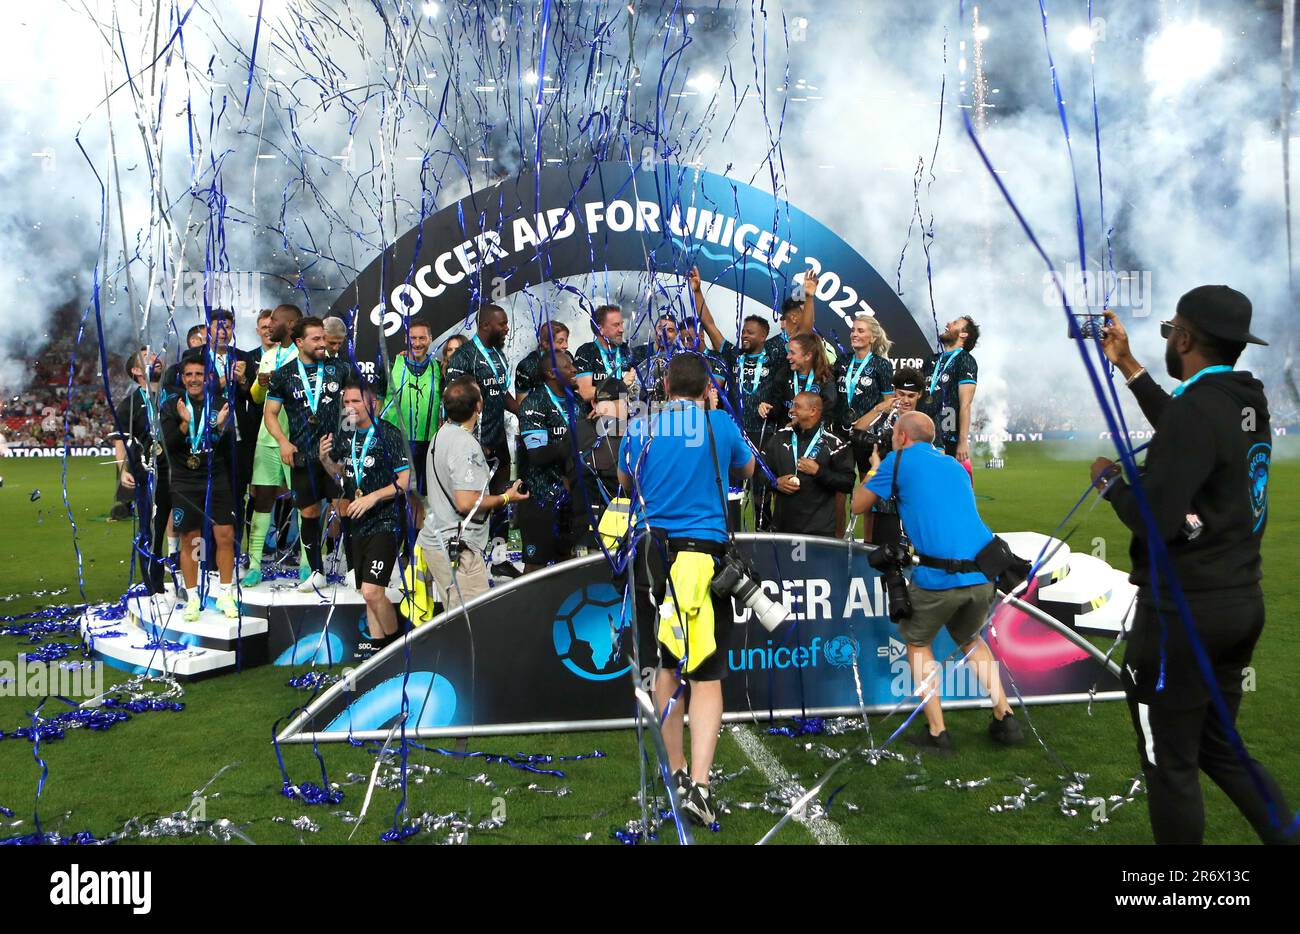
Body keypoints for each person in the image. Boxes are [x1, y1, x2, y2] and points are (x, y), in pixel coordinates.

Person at [1095, 290, 1293, 845]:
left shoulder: (1198, 409)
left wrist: (1110, 484)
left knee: (1170, 763)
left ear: (1184, 339)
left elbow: (1156, 521)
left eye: (1169, 330)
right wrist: (1128, 365)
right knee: (1220, 747)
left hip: (1182, 616)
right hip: (1239, 604)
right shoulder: (1242, 400)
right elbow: (1187, 430)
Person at [618, 353, 755, 826]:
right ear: (706, 388)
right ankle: (699, 784)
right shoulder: (719, 423)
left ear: (665, 386)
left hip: (653, 560)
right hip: (703, 559)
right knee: (705, 674)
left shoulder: (641, 426)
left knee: (666, 666)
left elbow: (625, 480)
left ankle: (676, 772)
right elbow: (747, 471)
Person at [851, 410, 1022, 753]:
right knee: (971, 640)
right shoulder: (954, 465)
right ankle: (1005, 716)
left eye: (894, 435)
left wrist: (873, 467)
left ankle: (937, 731)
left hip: (939, 575)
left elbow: (857, 505)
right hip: (982, 571)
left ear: (902, 437)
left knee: (917, 643)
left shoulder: (897, 461)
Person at [419, 377, 528, 610]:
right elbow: (466, 503)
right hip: (459, 550)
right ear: (478, 406)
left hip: (440, 543)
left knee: (457, 619)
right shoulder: (464, 444)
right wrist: (507, 498)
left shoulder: (441, 434)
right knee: (475, 622)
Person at [319, 382, 411, 654]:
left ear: (372, 404)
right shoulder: (346, 432)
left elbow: (405, 480)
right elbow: (341, 474)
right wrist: (325, 460)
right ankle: (378, 653)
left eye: (356, 401)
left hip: (385, 521)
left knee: (372, 591)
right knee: (367, 593)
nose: (349, 407)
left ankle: (396, 649)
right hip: (357, 522)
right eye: (346, 402)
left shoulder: (389, 434)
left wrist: (373, 498)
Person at [263, 315, 353, 591]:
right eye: (316, 339)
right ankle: (316, 572)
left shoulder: (341, 369)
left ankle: (353, 569)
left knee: (345, 508)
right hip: (302, 454)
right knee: (310, 512)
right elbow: (270, 414)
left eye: (324, 338)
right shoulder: (283, 375)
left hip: (336, 455)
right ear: (300, 342)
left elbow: (354, 404)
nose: (323, 343)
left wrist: (348, 440)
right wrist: (283, 442)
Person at [692, 269, 778, 530]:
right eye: (743, 332)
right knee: (733, 491)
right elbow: (709, 324)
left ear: (763, 336)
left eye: (750, 332)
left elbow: (804, 332)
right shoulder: (732, 355)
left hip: (764, 432)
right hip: (736, 432)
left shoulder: (775, 355)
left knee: (762, 491)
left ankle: (764, 535)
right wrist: (697, 291)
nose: (744, 336)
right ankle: (732, 534)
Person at [161, 350, 239, 621]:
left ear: (208, 378)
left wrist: (219, 427)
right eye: (189, 375)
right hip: (184, 480)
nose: (194, 379)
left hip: (215, 477)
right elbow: (169, 445)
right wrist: (184, 422)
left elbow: (228, 445)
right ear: (182, 378)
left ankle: (226, 594)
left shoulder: (221, 403)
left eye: (199, 374)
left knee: (225, 536)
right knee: (191, 539)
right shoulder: (171, 405)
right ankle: (193, 597)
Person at [445, 305, 519, 564]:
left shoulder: (498, 354)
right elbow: (455, 404)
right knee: (471, 502)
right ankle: (463, 558)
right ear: (486, 325)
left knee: (501, 498)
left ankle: (499, 560)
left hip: (497, 439)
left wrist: (521, 411)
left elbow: (500, 392)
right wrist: (472, 441)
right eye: (502, 324)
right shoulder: (463, 358)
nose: (507, 329)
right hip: (473, 444)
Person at [243, 303, 302, 585]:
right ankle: (255, 563)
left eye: (274, 321)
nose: (269, 327)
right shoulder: (268, 356)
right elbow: (257, 398)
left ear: (289, 325)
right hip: (267, 438)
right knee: (262, 498)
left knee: (303, 501)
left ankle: (307, 562)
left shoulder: (304, 354)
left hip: (297, 439)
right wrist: (260, 383)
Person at [517, 350, 588, 572]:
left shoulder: (577, 401)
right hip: (540, 498)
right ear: (551, 373)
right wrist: (574, 442)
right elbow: (537, 455)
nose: (574, 369)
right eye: (568, 366)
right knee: (535, 566)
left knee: (567, 563)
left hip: (571, 497)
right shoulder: (534, 403)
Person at [108, 348, 169, 594]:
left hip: (181, 473)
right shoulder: (129, 405)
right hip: (149, 475)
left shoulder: (175, 394)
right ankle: (154, 588)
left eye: (155, 354)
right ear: (136, 370)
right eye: (147, 357)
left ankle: (190, 579)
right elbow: (120, 441)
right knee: (150, 532)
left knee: (187, 526)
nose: (155, 358)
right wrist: (123, 470)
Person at [764, 392, 855, 537]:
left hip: (819, 531)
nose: (791, 410)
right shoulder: (779, 438)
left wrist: (819, 471)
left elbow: (847, 483)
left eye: (797, 406)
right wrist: (775, 483)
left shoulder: (835, 444)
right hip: (783, 529)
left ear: (813, 411)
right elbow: (759, 473)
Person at [863, 367, 926, 547]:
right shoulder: (882, 419)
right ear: (894, 392)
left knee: (917, 555)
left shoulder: (926, 422)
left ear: (920, 395)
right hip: (885, 500)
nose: (905, 400)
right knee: (885, 554)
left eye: (911, 396)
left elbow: (938, 456)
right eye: (901, 394)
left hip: (915, 499)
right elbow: (857, 431)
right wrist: (879, 408)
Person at [382, 316, 443, 499]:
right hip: (394, 444)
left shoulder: (439, 369)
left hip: (427, 446)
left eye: (422, 338)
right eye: (412, 338)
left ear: (430, 339)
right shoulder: (390, 365)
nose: (417, 343)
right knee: (393, 498)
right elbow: (376, 404)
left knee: (420, 500)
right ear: (405, 339)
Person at [921, 315, 980, 463]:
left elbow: (966, 404)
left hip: (947, 435)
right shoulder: (931, 360)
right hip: (923, 432)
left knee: (940, 476)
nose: (948, 324)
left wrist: (963, 441)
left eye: (954, 323)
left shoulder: (965, 360)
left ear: (963, 334)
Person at [759, 332, 837, 428]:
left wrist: (799, 426)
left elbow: (826, 416)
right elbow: (776, 408)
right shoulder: (783, 374)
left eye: (792, 353)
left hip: (813, 435)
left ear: (808, 356)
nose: (788, 356)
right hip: (785, 434)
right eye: (788, 352)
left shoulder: (825, 379)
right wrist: (767, 409)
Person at [574, 304, 637, 402]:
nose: (621, 329)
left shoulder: (626, 350)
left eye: (621, 324)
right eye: (616, 325)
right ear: (600, 329)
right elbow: (585, 392)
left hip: (624, 409)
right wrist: (620, 387)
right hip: (598, 411)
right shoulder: (586, 352)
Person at [514, 320, 569, 401]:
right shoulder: (527, 366)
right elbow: (521, 404)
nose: (566, 346)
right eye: (560, 342)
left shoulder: (568, 357)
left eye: (566, 341)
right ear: (545, 344)